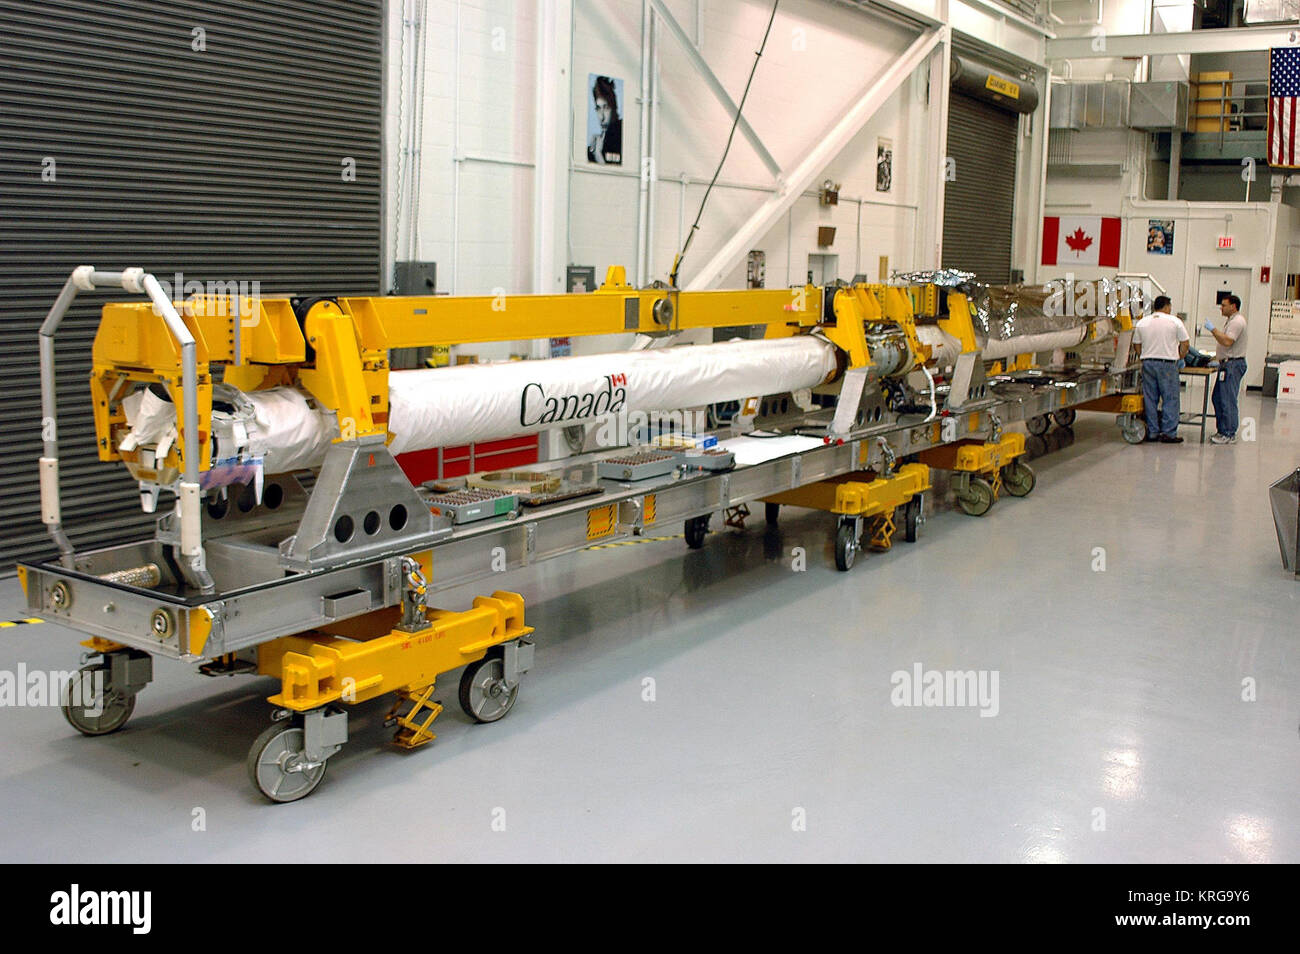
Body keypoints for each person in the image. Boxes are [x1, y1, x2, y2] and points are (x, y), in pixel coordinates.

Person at [1133, 294, 1189, 443]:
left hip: (1148, 363)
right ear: (1167, 306)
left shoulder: (1142, 322)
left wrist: (1143, 356)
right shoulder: (1174, 321)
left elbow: (1136, 344)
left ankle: (1152, 432)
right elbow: (1185, 343)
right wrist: (1180, 356)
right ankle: (1168, 433)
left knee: (1150, 399)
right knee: (1170, 398)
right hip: (1167, 364)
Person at [1204, 294, 1248, 444]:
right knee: (1218, 397)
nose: (1221, 308)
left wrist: (1213, 330)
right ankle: (1222, 430)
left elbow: (1228, 341)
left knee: (1227, 399)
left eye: (1224, 305)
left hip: (1233, 365)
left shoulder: (1237, 322)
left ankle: (1229, 433)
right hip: (1226, 364)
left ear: (1233, 306)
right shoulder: (1231, 321)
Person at [587, 76, 623, 165]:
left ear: (614, 107)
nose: (602, 117)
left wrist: (598, 155)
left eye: (606, 108)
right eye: (598, 108)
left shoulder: (620, 135)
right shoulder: (601, 139)